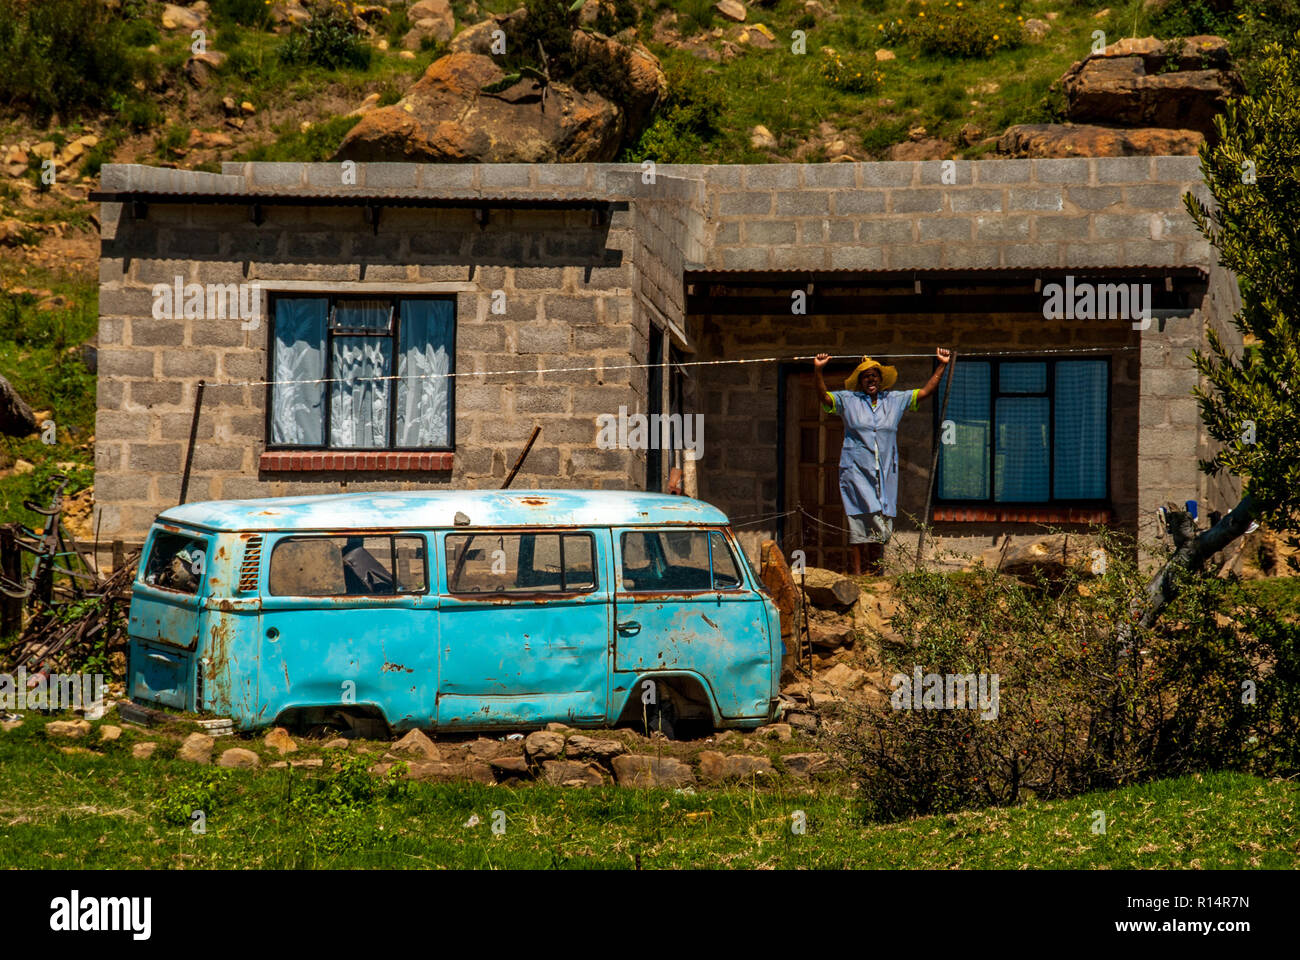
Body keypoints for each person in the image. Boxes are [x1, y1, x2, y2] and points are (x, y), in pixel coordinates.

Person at [813, 348, 952, 575]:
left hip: (885, 472)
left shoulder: (894, 400)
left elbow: (926, 392)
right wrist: (818, 371)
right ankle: (859, 573)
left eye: (874, 375)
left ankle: (876, 572)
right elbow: (824, 397)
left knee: (881, 517)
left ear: (880, 379)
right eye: (866, 377)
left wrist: (942, 365)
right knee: (859, 516)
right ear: (860, 382)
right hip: (856, 470)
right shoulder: (849, 400)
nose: (871, 380)